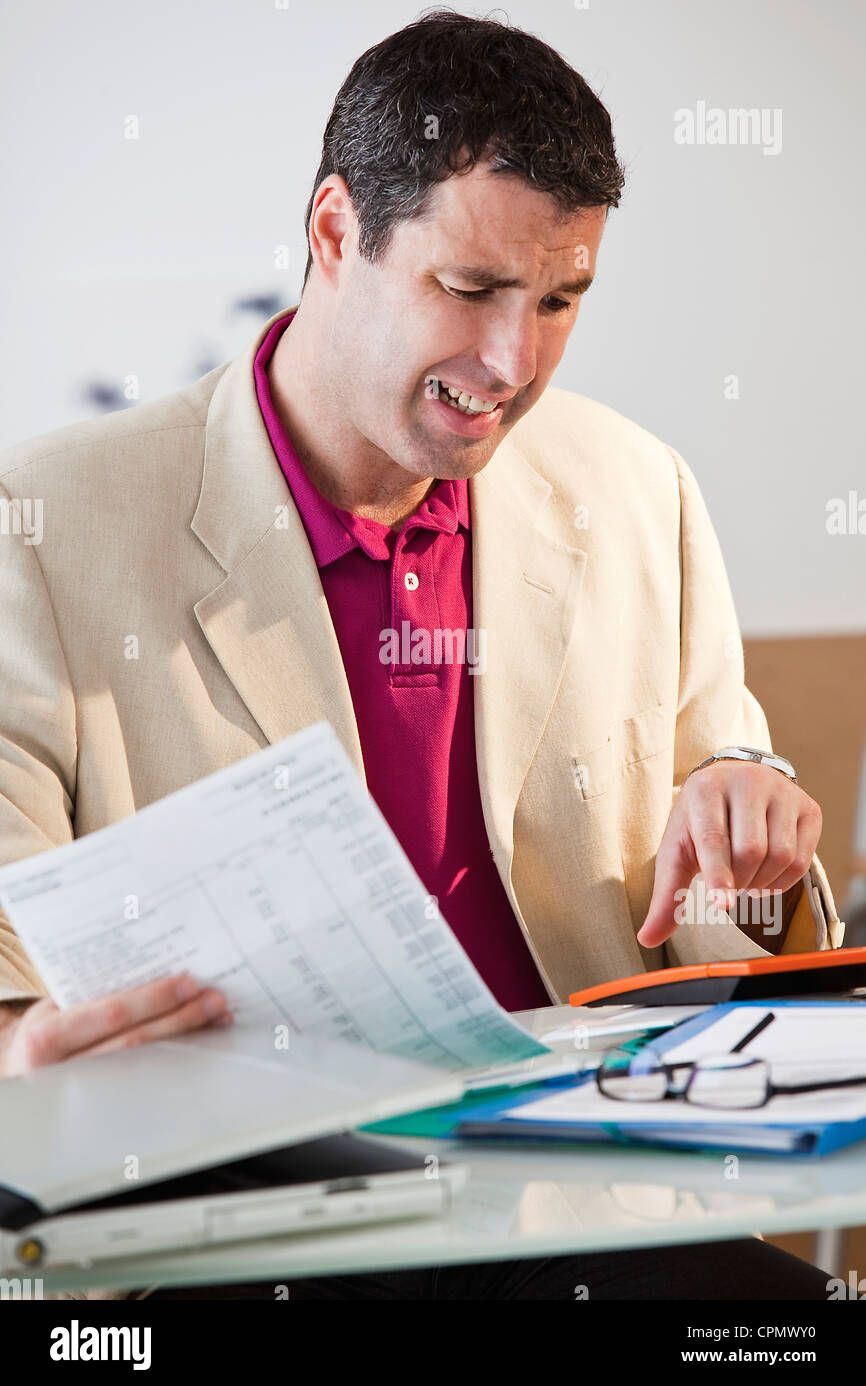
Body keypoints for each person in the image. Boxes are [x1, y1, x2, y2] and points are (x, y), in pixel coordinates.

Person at [0, 10, 842, 1300]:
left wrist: (748, 842)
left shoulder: (639, 492)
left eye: (562, 300)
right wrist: (35, 1053)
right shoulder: (51, 531)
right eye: (472, 290)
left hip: (592, 1202)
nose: (516, 363)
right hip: (246, 1224)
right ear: (334, 236)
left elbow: (721, 940)